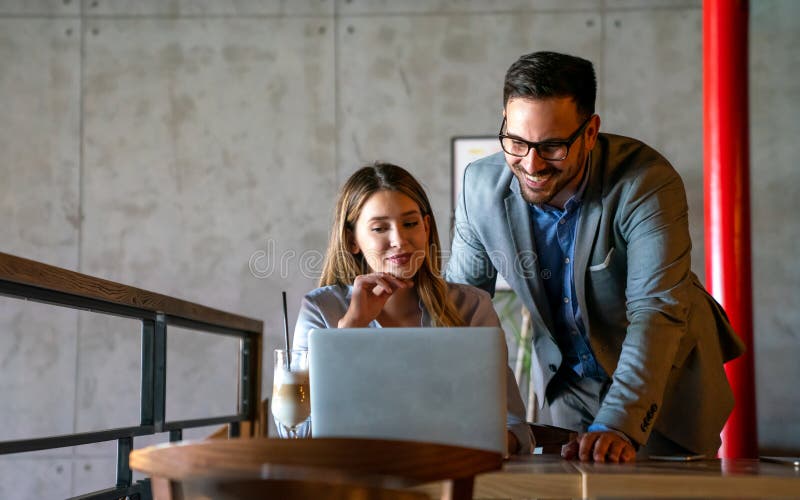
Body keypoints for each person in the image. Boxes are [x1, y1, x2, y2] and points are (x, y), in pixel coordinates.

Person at [446, 51, 745, 463]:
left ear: (590, 132)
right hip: (565, 387)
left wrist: (618, 425)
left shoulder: (645, 182)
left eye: (552, 146)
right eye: (516, 142)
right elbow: (459, 309)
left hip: (664, 389)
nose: (530, 164)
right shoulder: (479, 189)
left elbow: (656, 309)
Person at [293, 162, 534, 454]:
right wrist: (350, 329)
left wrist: (466, 448)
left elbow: (516, 429)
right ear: (351, 240)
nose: (400, 240)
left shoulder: (470, 306)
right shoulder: (320, 309)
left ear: (426, 227)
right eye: (380, 228)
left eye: (410, 224)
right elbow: (296, 434)